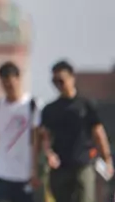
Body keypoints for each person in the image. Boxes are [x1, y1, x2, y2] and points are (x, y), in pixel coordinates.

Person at [39, 60, 113, 202]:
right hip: (60, 167)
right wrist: (49, 154)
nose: (58, 85)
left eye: (61, 80)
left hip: (83, 164)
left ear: (72, 77)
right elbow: (45, 137)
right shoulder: (50, 109)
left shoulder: (86, 106)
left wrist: (107, 159)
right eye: (55, 81)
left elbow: (99, 134)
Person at [0, 61, 41, 202]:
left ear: (19, 79)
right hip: (1, 172)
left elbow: (35, 140)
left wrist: (35, 170)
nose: (8, 88)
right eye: (4, 84)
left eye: (11, 83)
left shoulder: (32, 105)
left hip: (24, 174)